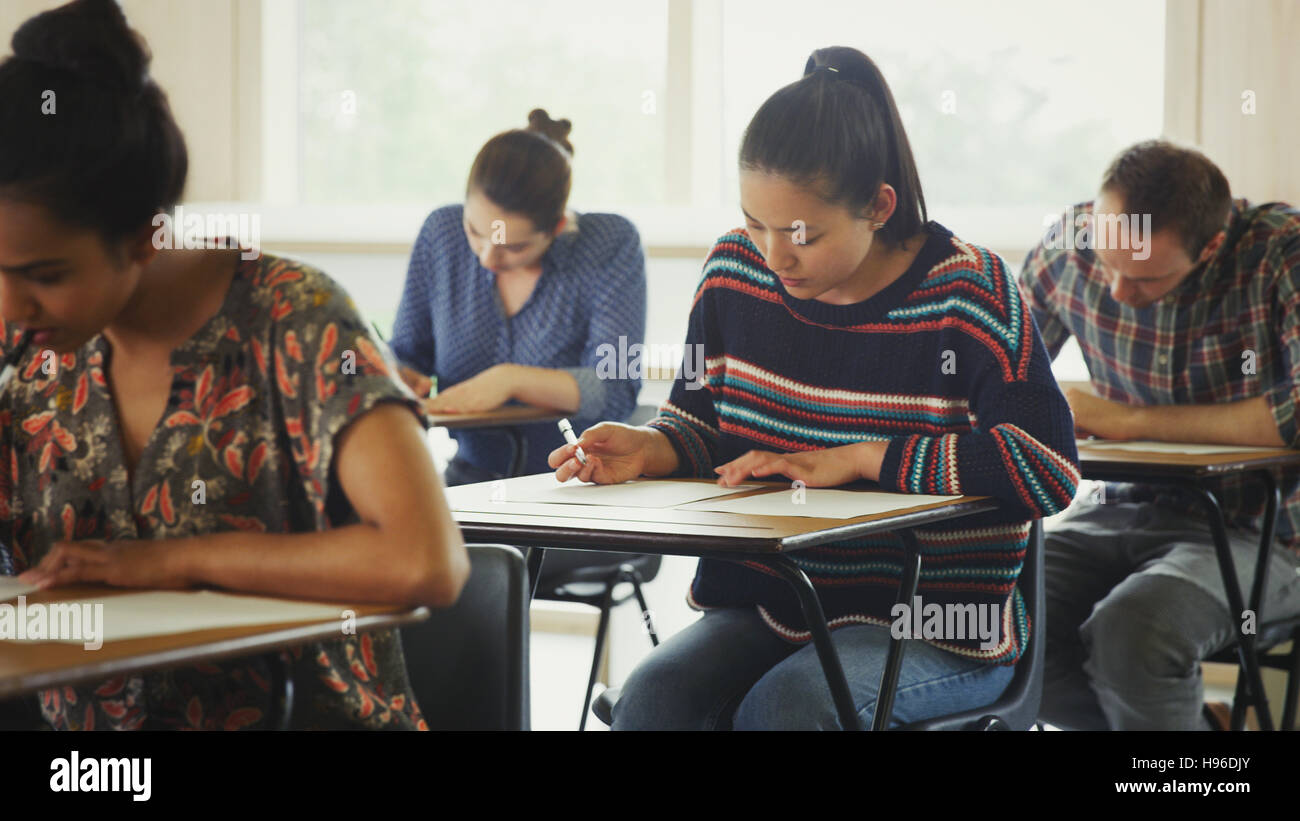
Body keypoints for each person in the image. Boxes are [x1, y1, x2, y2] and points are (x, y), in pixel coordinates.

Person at [548, 46, 1080, 730]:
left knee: (790, 707)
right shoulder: (733, 273)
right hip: (775, 603)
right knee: (653, 697)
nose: (774, 255)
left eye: (802, 233)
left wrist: (866, 458)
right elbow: (703, 428)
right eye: (754, 222)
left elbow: (1047, 467)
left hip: (934, 620)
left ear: (879, 207)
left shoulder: (969, 291)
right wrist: (652, 447)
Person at [0, 0, 468, 730]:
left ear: (144, 238)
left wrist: (168, 560)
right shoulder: (21, 348)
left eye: (45, 273)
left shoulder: (299, 318)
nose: (11, 303)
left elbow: (424, 560)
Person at [1020, 139, 1300, 730]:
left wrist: (1128, 420)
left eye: (1144, 277)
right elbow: (1000, 387)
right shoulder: (1066, 245)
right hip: (1116, 512)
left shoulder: (1281, 251)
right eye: (1106, 262)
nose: (1119, 291)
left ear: (1212, 246)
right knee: (1001, 620)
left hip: (1267, 532)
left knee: (1134, 633)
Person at [390, 110, 646, 485]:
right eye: (475, 232)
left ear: (556, 228)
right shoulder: (441, 234)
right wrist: (400, 374)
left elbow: (616, 386)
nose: (487, 258)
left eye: (514, 248)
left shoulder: (609, 244)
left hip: (579, 481)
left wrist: (510, 380)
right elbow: (408, 353)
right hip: (471, 477)